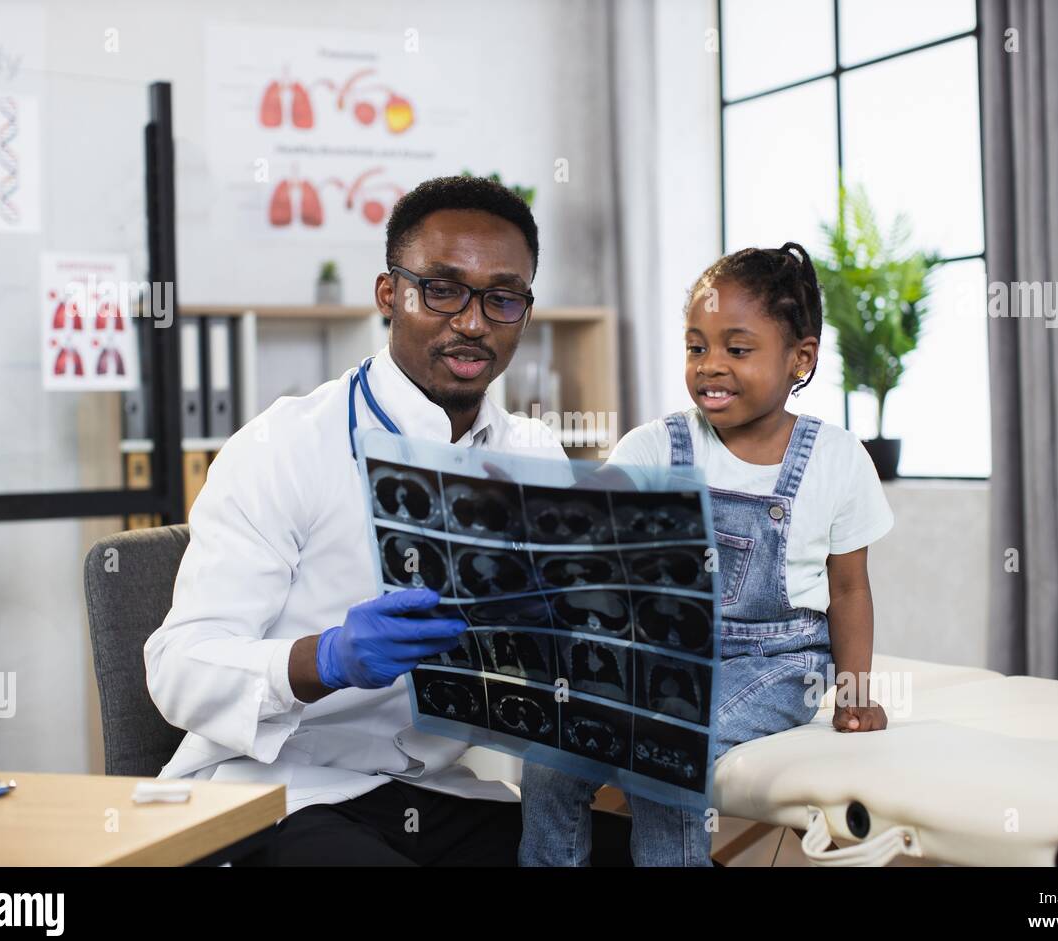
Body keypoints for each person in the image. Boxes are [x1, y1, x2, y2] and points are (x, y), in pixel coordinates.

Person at [145, 175, 630, 865]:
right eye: (441, 289)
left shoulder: (534, 456)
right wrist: (326, 658)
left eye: (502, 297)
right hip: (281, 792)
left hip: (436, 793)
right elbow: (175, 668)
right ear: (387, 294)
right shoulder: (285, 444)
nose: (472, 321)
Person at [519, 243, 894, 867]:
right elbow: (586, 545)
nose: (711, 366)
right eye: (697, 347)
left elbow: (850, 589)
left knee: (668, 741)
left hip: (779, 658)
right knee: (550, 754)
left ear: (800, 358)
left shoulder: (836, 458)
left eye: (737, 350)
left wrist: (854, 692)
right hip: (665, 652)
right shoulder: (653, 447)